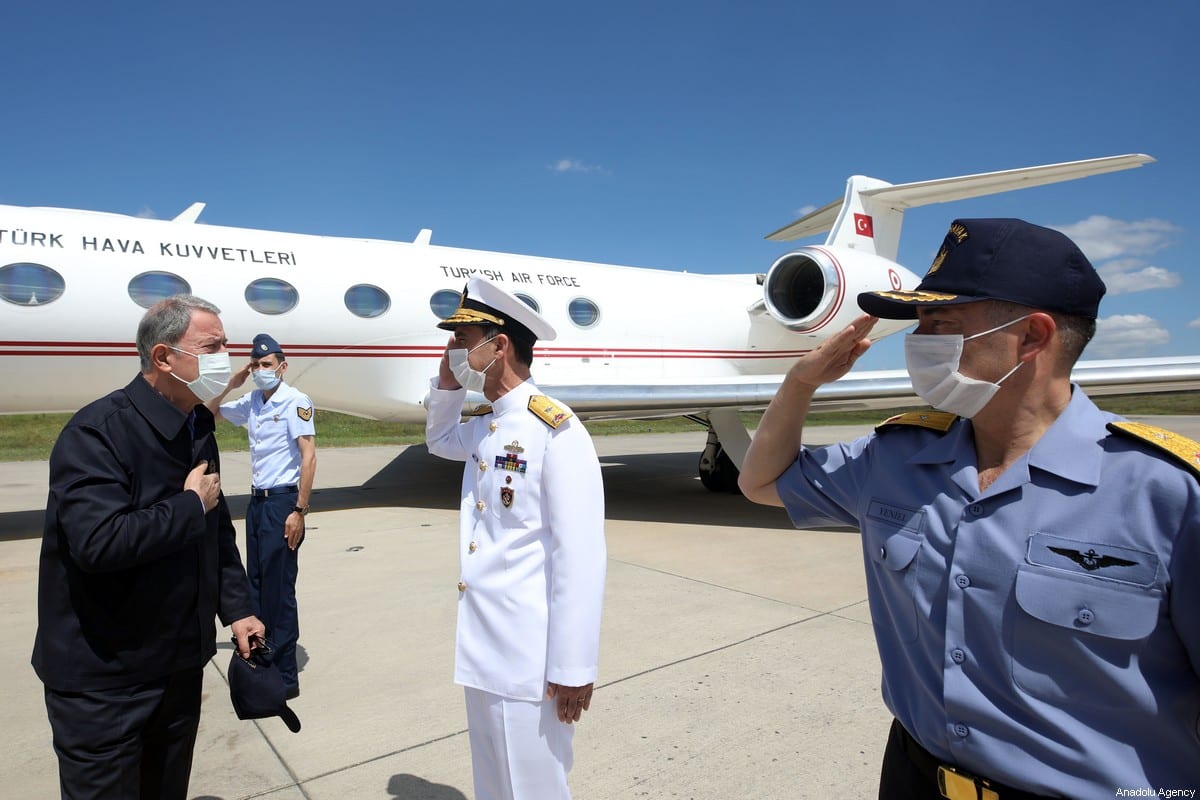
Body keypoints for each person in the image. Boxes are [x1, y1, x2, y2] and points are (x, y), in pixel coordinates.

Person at [738, 219, 1200, 798]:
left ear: (1032, 337)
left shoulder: (1168, 494)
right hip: (913, 777)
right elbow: (763, 483)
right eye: (921, 323)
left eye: (943, 323)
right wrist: (800, 384)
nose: (919, 340)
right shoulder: (896, 458)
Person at [32, 294, 265, 799]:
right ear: (163, 358)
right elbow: (97, 542)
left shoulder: (197, 425)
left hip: (177, 667)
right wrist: (187, 507)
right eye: (213, 346)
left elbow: (216, 529)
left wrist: (238, 608)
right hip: (106, 682)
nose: (228, 356)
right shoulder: (97, 432)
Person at [425, 277, 607, 800]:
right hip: (483, 648)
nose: (455, 350)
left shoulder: (555, 429)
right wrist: (448, 383)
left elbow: (580, 554)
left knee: (535, 789)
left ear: (498, 345)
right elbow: (438, 439)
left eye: (463, 340)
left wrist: (573, 666)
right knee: (493, 786)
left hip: (532, 659)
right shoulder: (485, 425)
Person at [206, 332, 316, 699]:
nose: (260, 371)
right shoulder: (252, 401)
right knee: (255, 585)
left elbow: (309, 457)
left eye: (266, 365)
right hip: (257, 505)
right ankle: (263, 663)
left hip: (284, 503)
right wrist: (230, 383)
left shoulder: (296, 402)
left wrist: (299, 510)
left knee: (279, 592)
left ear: (282, 367)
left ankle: (285, 679)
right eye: (255, 365)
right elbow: (210, 412)